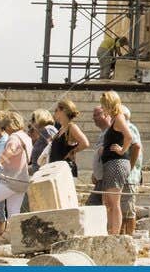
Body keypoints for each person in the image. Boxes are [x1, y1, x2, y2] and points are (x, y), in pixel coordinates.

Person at [97, 91, 133, 235]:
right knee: (109, 203)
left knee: (114, 202)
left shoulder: (119, 117)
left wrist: (122, 149)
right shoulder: (113, 120)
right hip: (110, 163)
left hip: (116, 164)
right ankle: (111, 231)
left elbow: (129, 136)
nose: (102, 107)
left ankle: (115, 233)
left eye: (103, 105)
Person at [0, 111, 32, 228]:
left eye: (4, 127)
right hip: (23, 180)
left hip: (10, 180)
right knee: (13, 213)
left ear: (10, 125)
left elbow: (10, 151)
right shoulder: (26, 137)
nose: (4, 130)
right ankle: (12, 237)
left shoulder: (14, 137)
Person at [47, 100, 92, 177]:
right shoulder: (61, 128)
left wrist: (72, 152)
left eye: (56, 110)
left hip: (65, 169)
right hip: (56, 169)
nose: (54, 113)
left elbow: (85, 143)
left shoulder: (71, 127)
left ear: (63, 111)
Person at [120, 104, 143, 235]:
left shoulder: (128, 127)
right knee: (123, 209)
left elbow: (136, 146)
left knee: (128, 210)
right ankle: (122, 236)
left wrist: (129, 168)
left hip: (129, 177)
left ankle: (129, 238)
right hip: (126, 176)